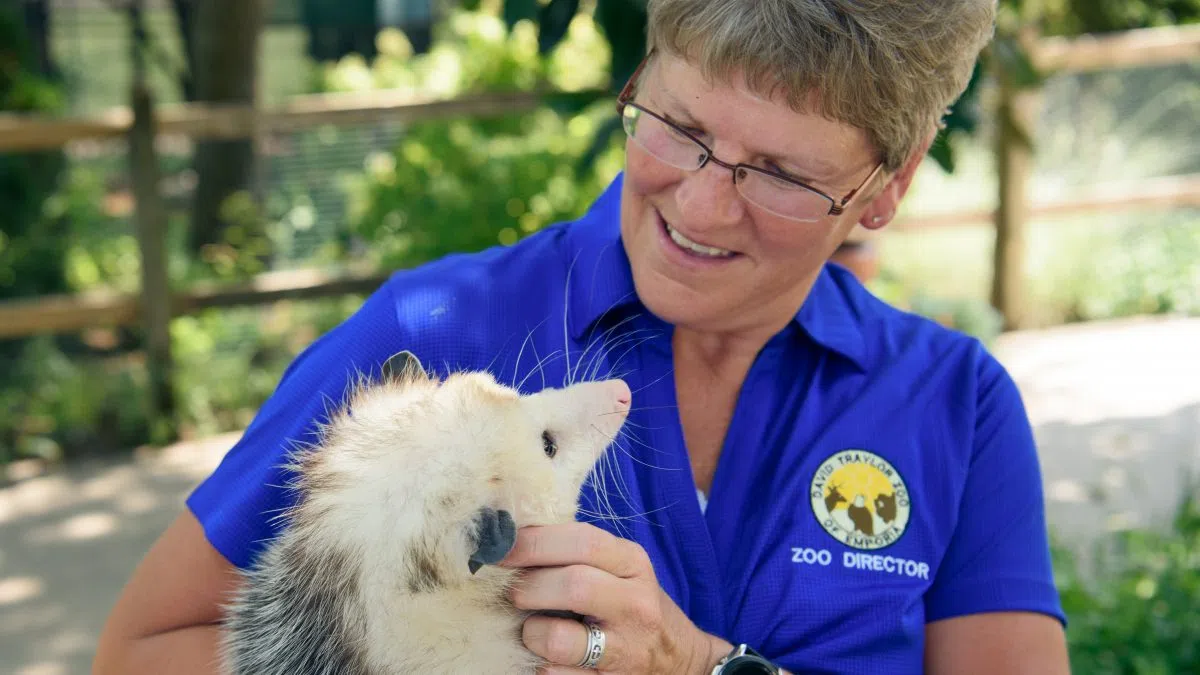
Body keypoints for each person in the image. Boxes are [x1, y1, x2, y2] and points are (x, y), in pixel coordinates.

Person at [94, 0, 1072, 672]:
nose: (699, 207)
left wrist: (698, 666)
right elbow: (140, 653)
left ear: (885, 188)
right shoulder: (434, 337)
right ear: (639, 74)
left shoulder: (956, 405)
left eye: (778, 173)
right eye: (677, 127)